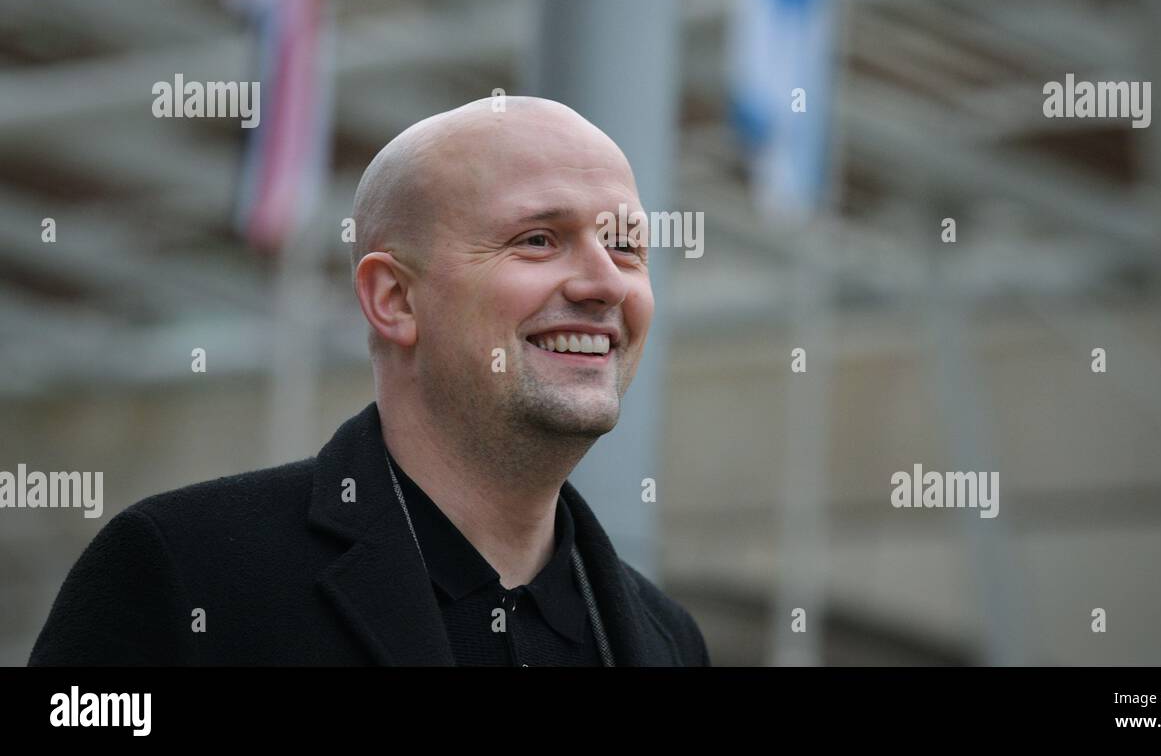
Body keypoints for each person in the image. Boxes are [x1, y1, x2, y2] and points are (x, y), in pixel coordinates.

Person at [28, 96, 710, 666]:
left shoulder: (666, 639)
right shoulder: (186, 570)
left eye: (625, 245)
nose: (603, 283)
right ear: (394, 299)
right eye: (538, 239)